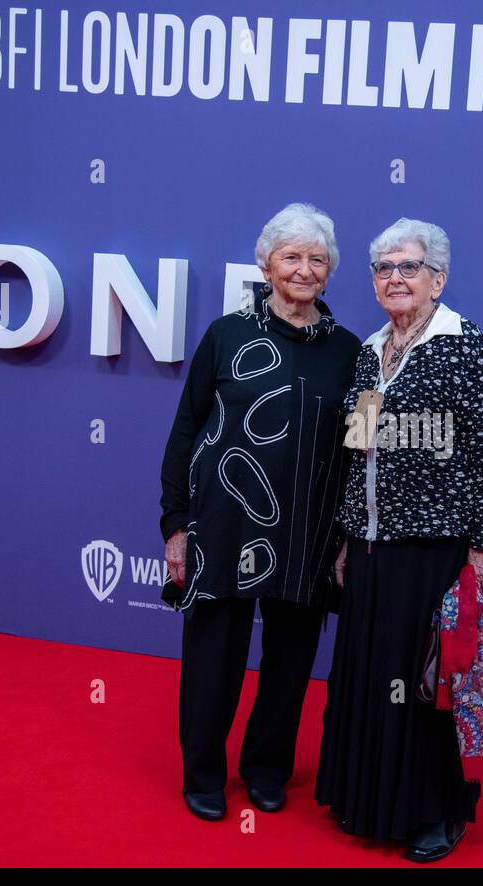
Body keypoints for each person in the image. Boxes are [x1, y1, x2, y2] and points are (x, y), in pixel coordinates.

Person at [314, 218, 483, 862]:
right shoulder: (372, 348)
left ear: (438, 279)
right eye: (383, 268)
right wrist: (348, 534)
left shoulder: (462, 344)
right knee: (374, 675)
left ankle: (435, 813)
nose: (394, 278)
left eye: (408, 267)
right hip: (370, 546)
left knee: (426, 681)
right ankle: (370, 801)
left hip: (434, 547)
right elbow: (359, 448)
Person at [159, 203, 361, 822]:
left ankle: (267, 769)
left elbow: (363, 450)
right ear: (266, 265)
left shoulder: (355, 352)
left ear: (330, 271)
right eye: (290, 256)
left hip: (309, 531)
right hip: (224, 523)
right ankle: (202, 774)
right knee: (213, 657)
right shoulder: (226, 335)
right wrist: (176, 524)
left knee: (291, 661)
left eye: (317, 259)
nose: (304, 269)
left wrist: (348, 535)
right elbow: (186, 431)